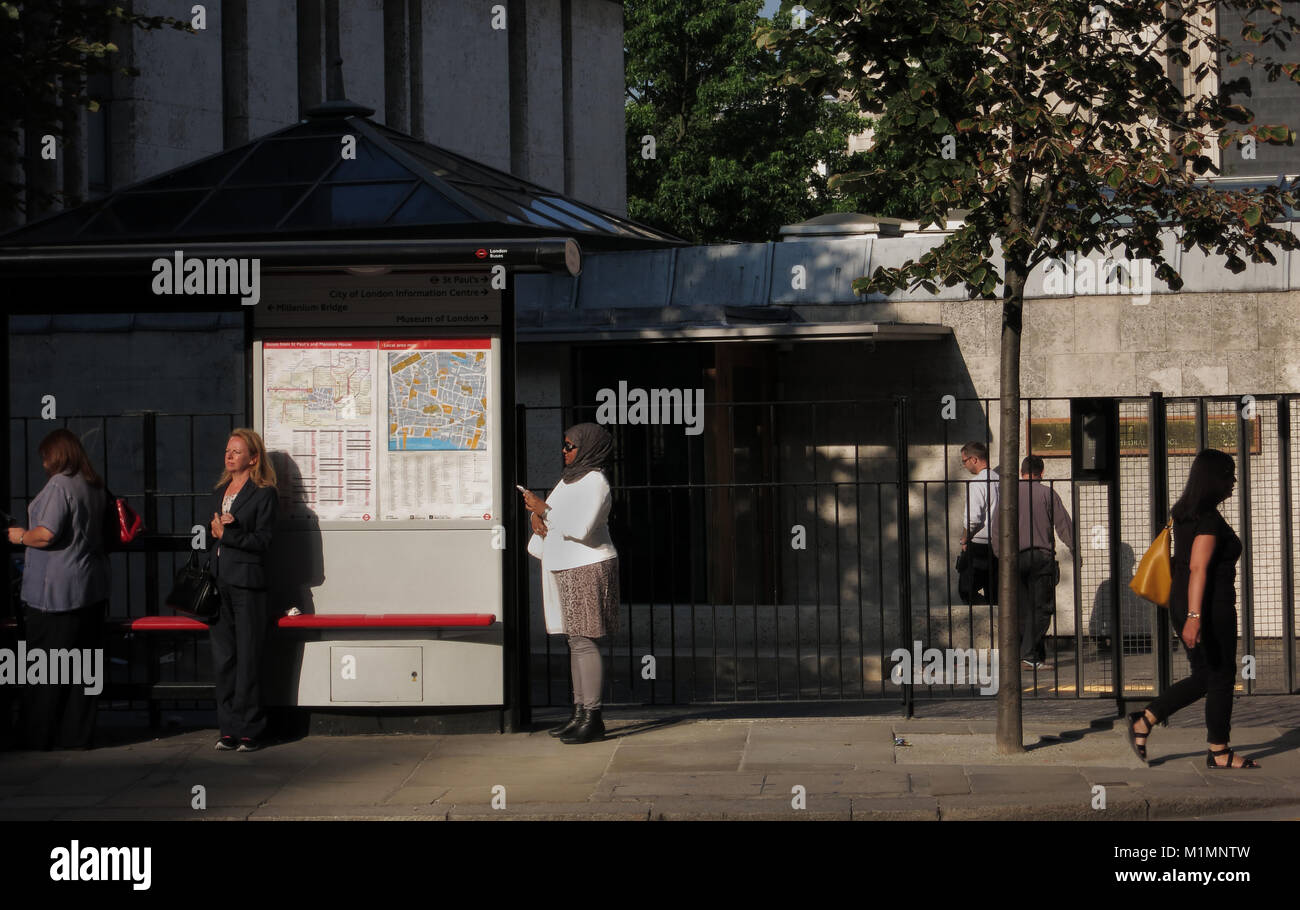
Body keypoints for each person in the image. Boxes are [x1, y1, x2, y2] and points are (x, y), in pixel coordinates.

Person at [1127, 449, 1257, 768]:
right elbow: (1199, 568)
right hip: (1209, 607)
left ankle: (1144, 721)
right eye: (1229, 474)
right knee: (1221, 676)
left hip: (1185, 601)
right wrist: (1195, 618)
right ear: (1215, 479)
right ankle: (1218, 750)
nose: (1234, 481)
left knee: (1206, 676)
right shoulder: (1208, 518)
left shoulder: (1184, 512)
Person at [7, 429, 110, 750]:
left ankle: (39, 735)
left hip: (55, 594)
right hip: (91, 588)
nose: (43, 463)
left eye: (45, 456)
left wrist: (19, 536)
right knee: (83, 669)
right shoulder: (94, 485)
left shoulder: (60, 485)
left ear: (56, 454)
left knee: (45, 668)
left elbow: (47, 534)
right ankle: (77, 736)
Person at [522, 423, 619, 744]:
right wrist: (537, 518)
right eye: (563, 446)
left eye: (570, 446)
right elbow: (554, 517)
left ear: (588, 447)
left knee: (584, 639)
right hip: (566, 563)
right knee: (574, 640)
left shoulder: (596, 481)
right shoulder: (570, 479)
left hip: (587, 564)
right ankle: (579, 713)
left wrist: (544, 509)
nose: (564, 452)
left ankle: (593, 716)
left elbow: (581, 527)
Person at [206, 428, 278, 753]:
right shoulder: (221, 490)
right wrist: (215, 533)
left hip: (248, 585)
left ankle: (250, 729)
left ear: (253, 458)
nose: (229, 456)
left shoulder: (264, 493)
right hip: (220, 582)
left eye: (236, 451)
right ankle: (228, 729)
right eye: (227, 450)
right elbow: (213, 534)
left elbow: (264, 541)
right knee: (225, 659)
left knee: (249, 658)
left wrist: (229, 533)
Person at [989, 455, 1075, 669]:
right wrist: (1075, 548)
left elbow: (996, 528)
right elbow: (1064, 525)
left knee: (1022, 608)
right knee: (1043, 609)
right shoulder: (1047, 493)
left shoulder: (1008, 495)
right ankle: (1028, 654)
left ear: (1021, 472)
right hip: (1040, 557)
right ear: (1042, 473)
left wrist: (1001, 555)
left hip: (1014, 558)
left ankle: (1030, 655)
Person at [957, 441, 998, 606]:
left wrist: (965, 539)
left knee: (966, 590)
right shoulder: (1002, 481)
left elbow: (973, 520)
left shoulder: (977, 484)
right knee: (995, 594)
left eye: (964, 461)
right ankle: (996, 626)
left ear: (974, 459)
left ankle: (985, 619)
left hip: (980, 546)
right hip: (1001, 544)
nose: (964, 465)